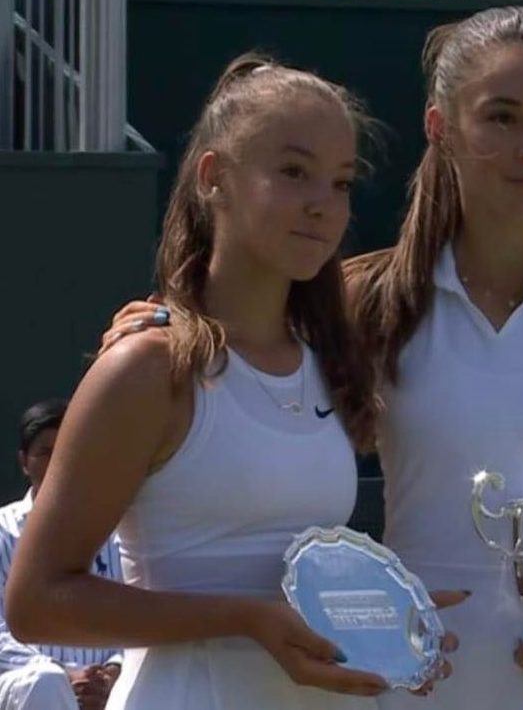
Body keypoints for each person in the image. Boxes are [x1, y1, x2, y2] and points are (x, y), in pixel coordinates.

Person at [92, 7, 523, 710]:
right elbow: (231, 344)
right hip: (412, 691)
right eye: (502, 117)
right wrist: (169, 318)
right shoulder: (355, 301)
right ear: (441, 128)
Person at [5, 53, 459, 710]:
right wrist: (246, 619)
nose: (322, 205)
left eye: (340, 182)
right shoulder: (146, 367)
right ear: (214, 178)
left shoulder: (328, 359)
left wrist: (386, 611)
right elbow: (37, 603)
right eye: (294, 172)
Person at [0, 399, 123, 710]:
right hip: (22, 681)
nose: (57, 462)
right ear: (24, 462)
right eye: (45, 453)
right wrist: (65, 674)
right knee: (44, 683)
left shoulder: (120, 530)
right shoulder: (2, 529)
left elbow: (142, 612)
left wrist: (111, 673)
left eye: (66, 450)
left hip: (107, 686)